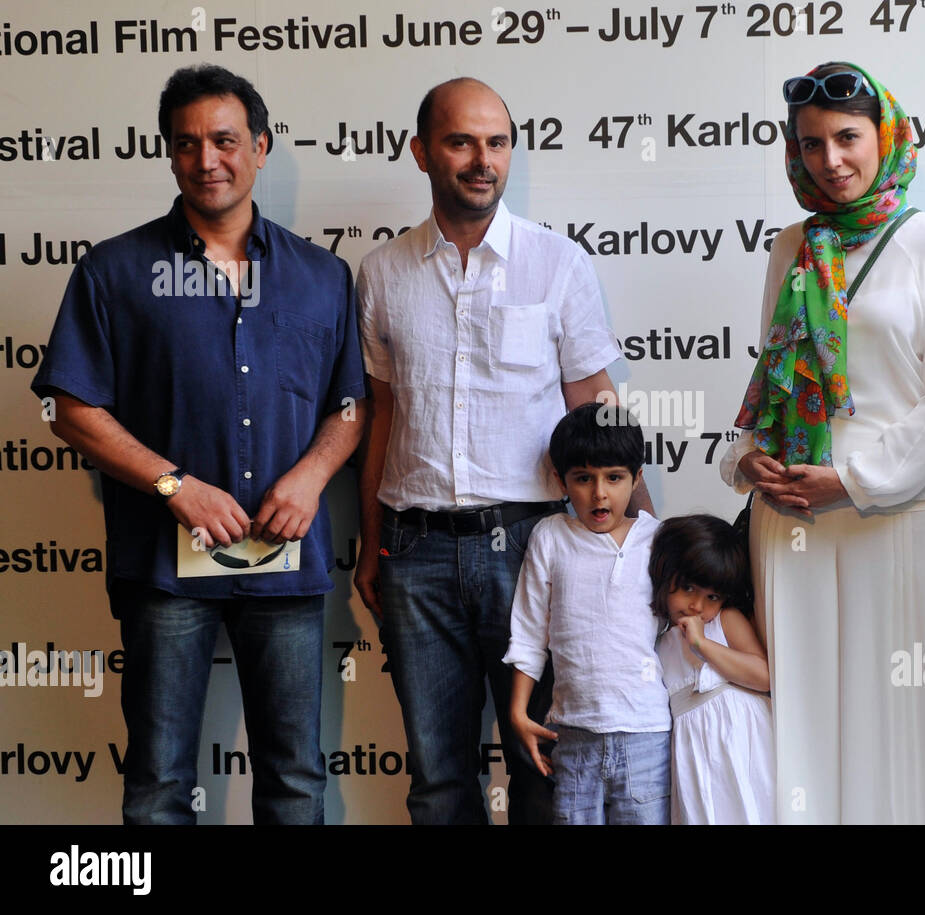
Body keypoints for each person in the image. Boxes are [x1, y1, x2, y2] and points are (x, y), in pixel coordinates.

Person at [31, 64, 367, 824]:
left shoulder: (322, 276)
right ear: (170, 155)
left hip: (284, 565)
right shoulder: (114, 270)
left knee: (295, 780)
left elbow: (350, 405)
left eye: (224, 140)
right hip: (163, 568)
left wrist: (312, 477)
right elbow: (70, 406)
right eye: (187, 145)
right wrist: (173, 486)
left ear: (260, 145)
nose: (207, 159)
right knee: (157, 783)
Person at [354, 78, 643, 824]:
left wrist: (640, 547)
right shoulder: (382, 274)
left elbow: (596, 408)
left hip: (535, 547)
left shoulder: (558, 263)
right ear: (421, 152)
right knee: (439, 779)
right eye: (461, 142)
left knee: (546, 764)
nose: (483, 160)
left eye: (498, 142)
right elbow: (382, 412)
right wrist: (370, 539)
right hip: (414, 552)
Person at [719, 62, 925, 824]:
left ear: (885, 136)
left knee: (904, 726)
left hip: (892, 516)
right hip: (791, 519)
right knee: (804, 723)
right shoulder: (791, 243)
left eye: (847, 138)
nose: (830, 160)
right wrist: (747, 456)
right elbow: (773, 374)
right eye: (810, 145)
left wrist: (852, 478)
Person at [504, 402, 669, 825]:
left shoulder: (660, 541)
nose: (599, 493)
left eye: (614, 478)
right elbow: (528, 635)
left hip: (646, 736)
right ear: (561, 480)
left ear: (637, 479)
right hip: (572, 736)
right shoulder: (551, 537)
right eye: (583, 478)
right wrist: (519, 713)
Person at [650, 514, 774, 825]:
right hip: (692, 753)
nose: (697, 606)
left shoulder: (723, 620)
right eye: (688, 588)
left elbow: (764, 675)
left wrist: (702, 645)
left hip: (743, 744)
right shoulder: (657, 638)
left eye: (712, 597)